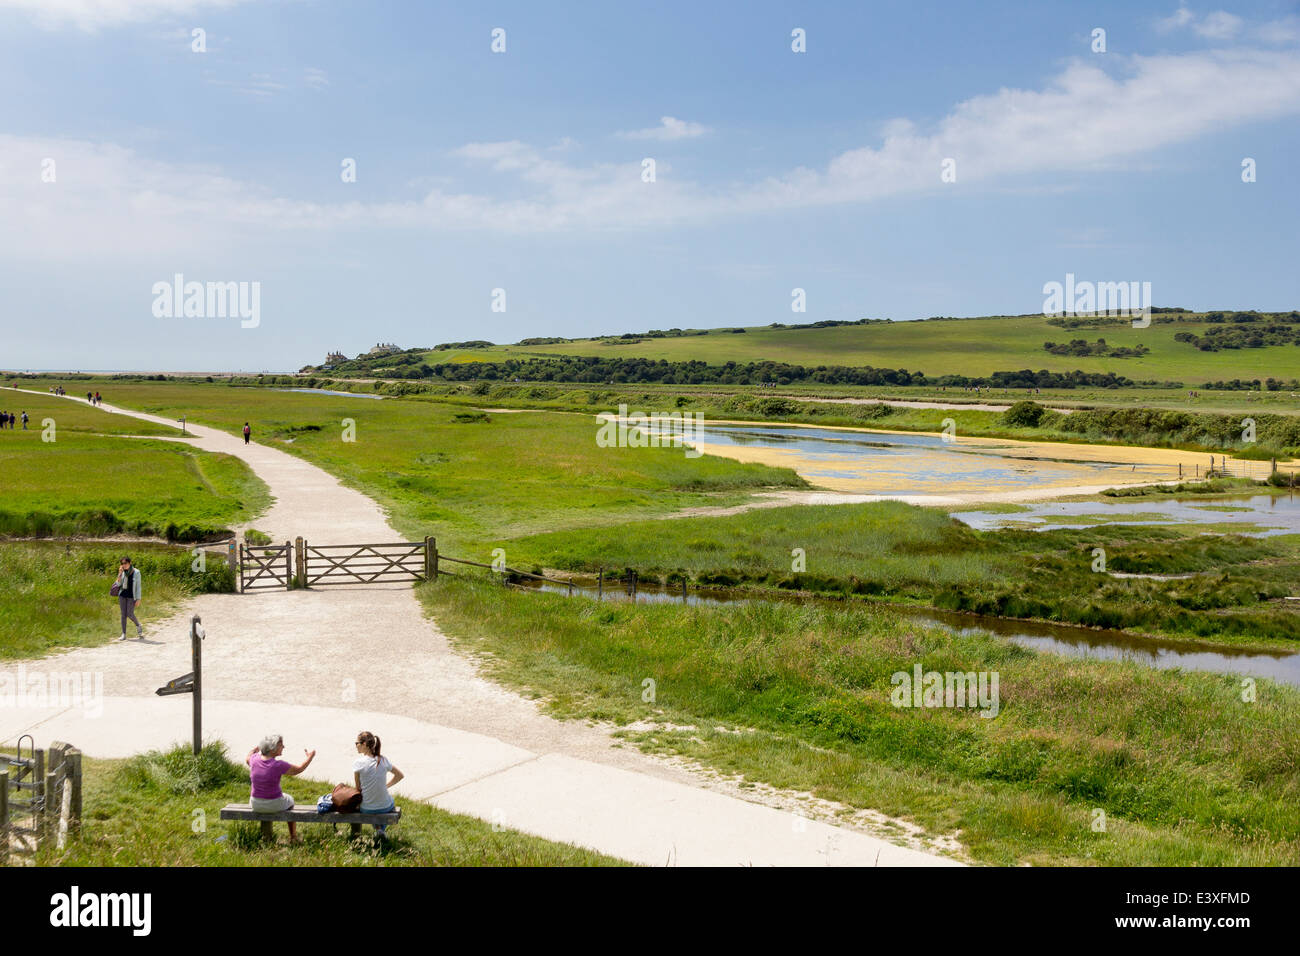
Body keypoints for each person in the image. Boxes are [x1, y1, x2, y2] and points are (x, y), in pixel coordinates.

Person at [247, 734, 315, 842]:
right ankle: (293, 837)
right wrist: (310, 757)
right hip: (274, 804)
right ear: (273, 748)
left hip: (255, 804)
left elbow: (249, 756)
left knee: (280, 798)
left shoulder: (254, 760)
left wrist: (256, 748)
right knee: (290, 800)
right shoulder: (278, 765)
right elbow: (299, 769)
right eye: (281, 745)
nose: (284, 747)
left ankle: (268, 835)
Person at [353, 731, 403, 835]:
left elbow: (358, 789)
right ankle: (380, 830)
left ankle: (379, 829)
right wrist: (386, 786)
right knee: (389, 801)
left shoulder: (358, 763)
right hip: (385, 807)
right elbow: (399, 775)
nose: (355, 746)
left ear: (364, 744)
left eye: (356, 743)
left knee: (371, 803)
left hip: (366, 808)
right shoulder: (383, 760)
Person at [114, 556, 144, 640]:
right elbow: (118, 584)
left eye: (125, 563)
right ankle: (123, 634)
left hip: (131, 596)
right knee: (123, 615)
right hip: (122, 595)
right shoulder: (122, 572)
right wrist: (119, 574)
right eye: (122, 563)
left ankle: (138, 625)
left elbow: (138, 587)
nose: (124, 565)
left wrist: (138, 598)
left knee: (130, 614)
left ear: (130, 563)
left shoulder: (136, 572)